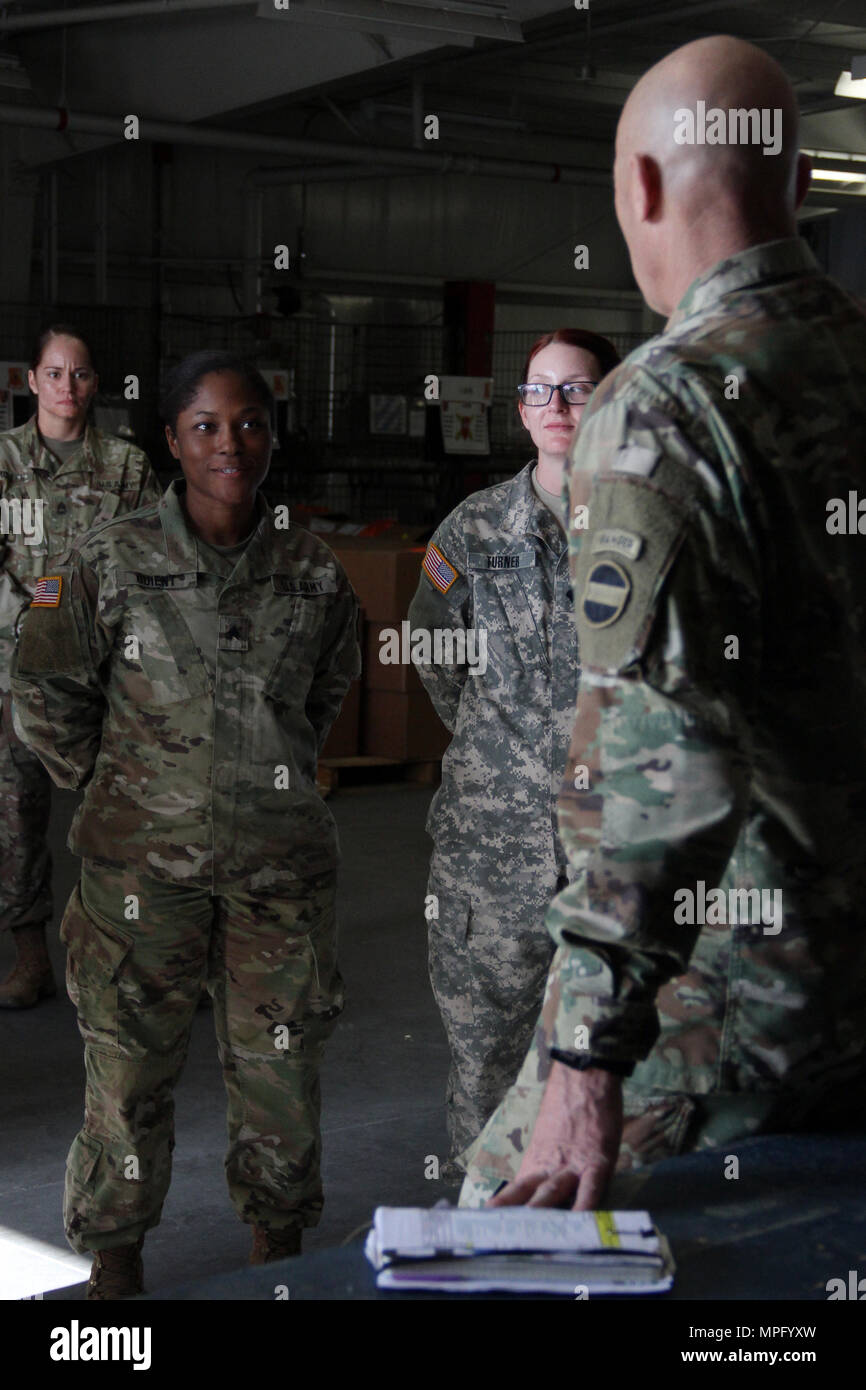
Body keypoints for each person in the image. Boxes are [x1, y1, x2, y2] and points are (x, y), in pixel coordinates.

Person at [460, 34, 866, 1211]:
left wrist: (586, 1058)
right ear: (793, 184)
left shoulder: (666, 407)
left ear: (638, 188)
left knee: (491, 1235)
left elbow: (665, 768)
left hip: (733, 997)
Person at [10, 351, 360, 1296]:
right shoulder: (107, 559)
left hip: (276, 879)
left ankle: (276, 1252)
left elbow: (327, 691)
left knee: (280, 1084)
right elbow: (42, 690)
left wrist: (262, 781)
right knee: (126, 1078)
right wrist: (117, 783)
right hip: (137, 883)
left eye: (249, 424)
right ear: (170, 440)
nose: (229, 444)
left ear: (271, 437)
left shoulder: (312, 571)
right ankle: (115, 1264)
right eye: (205, 426)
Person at [408, 328, 620, 1178]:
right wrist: (505, 757)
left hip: (617, 844)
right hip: (490, 852)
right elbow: (435, 651)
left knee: (614, 1051)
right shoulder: (473, 529)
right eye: (540, 390)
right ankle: (484, 1225)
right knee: (489, 1049)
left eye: (577, 388)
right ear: (521, 407)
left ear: (611, 398)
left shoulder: (645, 521)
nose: (557, 407)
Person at [0, 324, 160, 1009]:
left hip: (106, 681)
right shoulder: (4, 463)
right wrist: (44, 610)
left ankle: (121, 952)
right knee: (16, 818)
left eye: (82, 374)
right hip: (18, 675)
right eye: (56, 373)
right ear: (31, 380)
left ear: (96, 384)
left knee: (120, 821)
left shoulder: (126, 468)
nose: (69, 387)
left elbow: (155, 563)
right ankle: (30, 955)